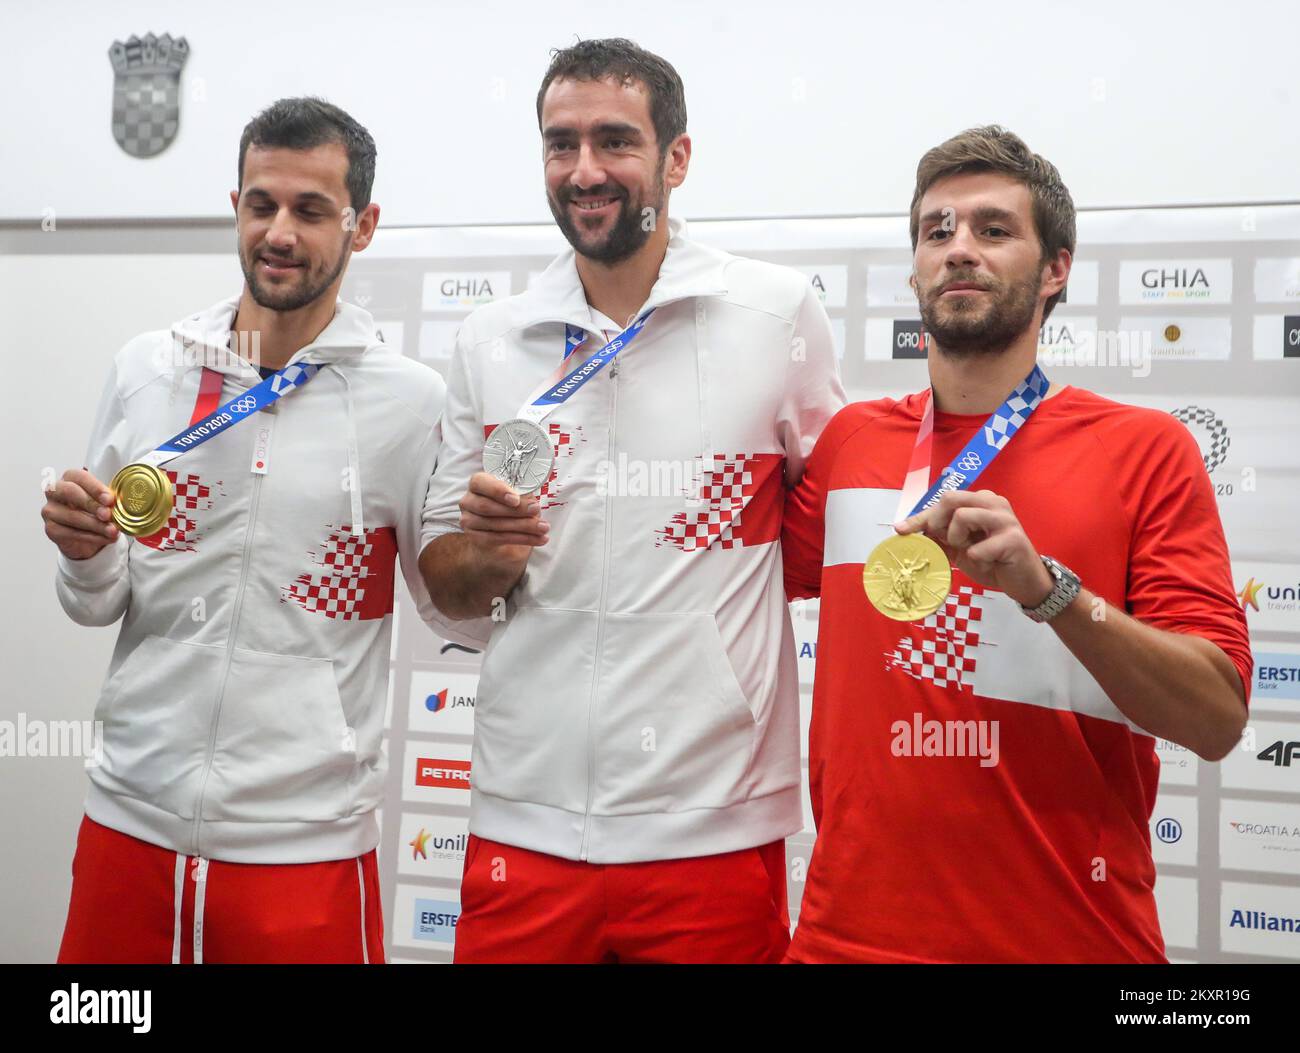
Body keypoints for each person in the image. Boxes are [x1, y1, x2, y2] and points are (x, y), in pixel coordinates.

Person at [419, 38, 845, 963]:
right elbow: (449, 588)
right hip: (521, 821)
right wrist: (486, 554)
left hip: (712, 823)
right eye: (559, 144)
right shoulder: (493, 337)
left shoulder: (774, 315)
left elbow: (830, 530)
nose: (584, 170)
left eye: (615, 140)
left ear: (676, 158)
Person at [781, 126, 1251, 963]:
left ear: (1056, 268)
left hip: (1069, 939)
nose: (959, 249)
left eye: (993, 230)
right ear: (914, 269)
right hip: (843, 941)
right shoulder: (850, 442)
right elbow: (709, 591)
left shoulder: (1144, 449)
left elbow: (1215, 718)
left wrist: (1051, 594)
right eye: (938, 231)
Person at [42, 97, 466, 963]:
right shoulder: (147, 370)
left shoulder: (410, 403)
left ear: (364, 223)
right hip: (129, 829)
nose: (279, 232)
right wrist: (86, 556)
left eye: (310, 211)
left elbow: (458, 619)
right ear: (234, 202)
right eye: (259, 203)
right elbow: (99, 602)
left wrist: (496, 552)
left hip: (302, 855)